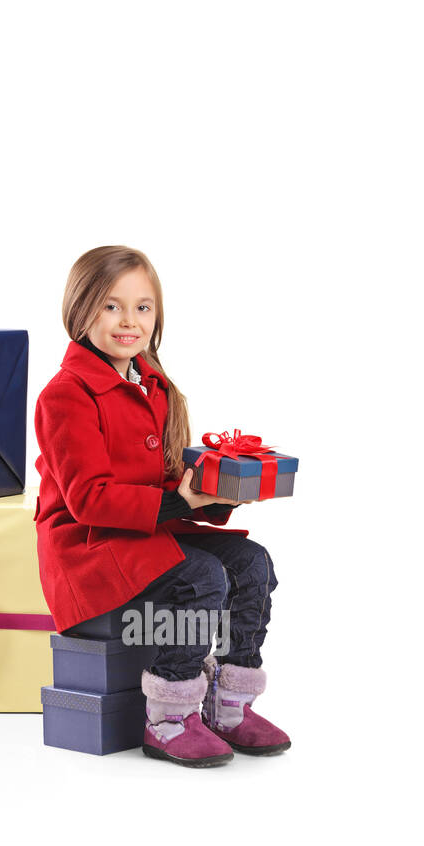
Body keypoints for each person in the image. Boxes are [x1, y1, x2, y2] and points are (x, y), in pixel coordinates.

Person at [34, 245, 291, 767]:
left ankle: (231, 705)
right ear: (80, 310)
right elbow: (88, 499)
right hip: (88, 547)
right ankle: (169, 716)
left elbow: (168, 475)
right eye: (111, 306)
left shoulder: (154, 386)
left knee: (252, 563)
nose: (129, 321)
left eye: (143, 308)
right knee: (200, 576)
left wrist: (217, 487)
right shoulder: (67, 394)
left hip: (141, 531)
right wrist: (178, 501)